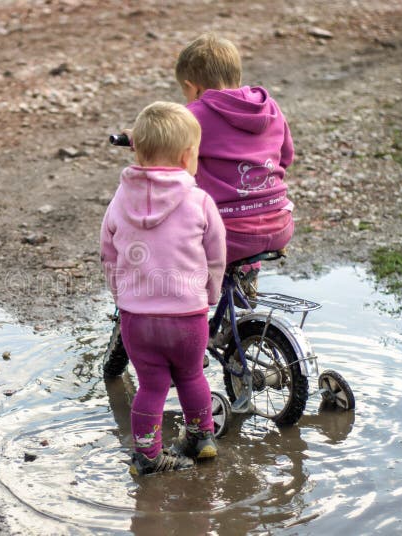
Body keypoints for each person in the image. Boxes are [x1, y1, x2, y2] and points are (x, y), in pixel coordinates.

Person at [100, 101, 226, 475]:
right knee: (191, 376)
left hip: (138, 319)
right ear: (189, 155)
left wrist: (120, 295)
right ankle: (201, 438)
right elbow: (216, 254)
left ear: (136, 149)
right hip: (188, 314)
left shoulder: (120, 200)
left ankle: (147, 456)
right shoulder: (200, 200)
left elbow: (108, 252)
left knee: (151, 387)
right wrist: (212, 293)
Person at [175, 32, 295, 295]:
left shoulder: (196, 114)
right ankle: (245, 278)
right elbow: (286, 156)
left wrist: (137, 139)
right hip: (280, 223)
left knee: (175, 233)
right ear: (237, 78)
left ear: (193, 87)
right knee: (246, 217)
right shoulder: (270, 108)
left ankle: (184, 306)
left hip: (228, 234)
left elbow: (165, 142)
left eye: (186, 93)